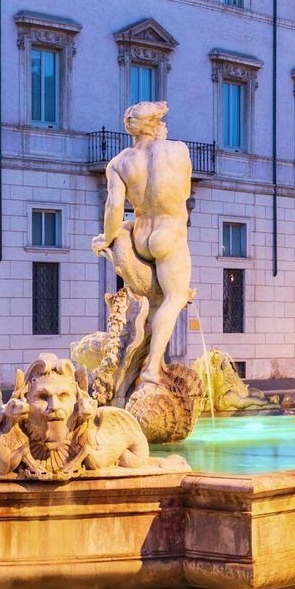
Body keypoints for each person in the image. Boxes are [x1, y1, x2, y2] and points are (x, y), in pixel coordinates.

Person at [94, 100, 197, 394]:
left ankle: (137, 362)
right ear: (155, 123)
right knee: (175, 297)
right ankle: (152, 368)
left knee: (155, 300)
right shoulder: (178, 150)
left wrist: (106, 236)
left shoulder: (119, 163)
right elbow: (184, 192)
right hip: (169, 232)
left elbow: (114, 206)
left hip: (140, 233)